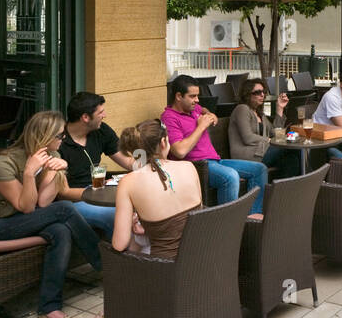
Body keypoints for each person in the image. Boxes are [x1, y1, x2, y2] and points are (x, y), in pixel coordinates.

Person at [0, 110, 103, 318]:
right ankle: (106, 266)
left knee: (60, 231)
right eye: (60, 136)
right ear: (44, 137)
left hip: (22, 220)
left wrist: (53, 173)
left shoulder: (55, 157)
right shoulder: (3, 164)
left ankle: (49, 306)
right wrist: (29, 174)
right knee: (64, 208)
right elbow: (26, 206)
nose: (64, 140)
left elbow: (42, 203)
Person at [162, 75, 268, 215]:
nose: (197, 100)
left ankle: (253, 218)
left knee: (259, 169)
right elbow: (179, 151)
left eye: (197, 95)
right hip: (196, 166)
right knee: (230, 176)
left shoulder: (194, 109)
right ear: (178, 96)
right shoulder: (169, 117)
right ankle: (227, 226)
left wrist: (210, 114)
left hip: (215, 161)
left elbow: (203, 108)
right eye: (192, 96)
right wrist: (201, 127)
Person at [111, 119, 204, 258]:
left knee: (133, 246)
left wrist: (143, 227)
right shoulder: (189, 167)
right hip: (199, 257)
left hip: (162, 269)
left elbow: (119, 244)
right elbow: (194, 218)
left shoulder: (128, 182)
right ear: (163, 142)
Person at [55, 92, 136, 240]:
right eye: (100, 112)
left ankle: (140, 256)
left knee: (137, 210)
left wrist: (147, 152)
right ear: (85, 117)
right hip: (73, 202)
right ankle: (120, 260)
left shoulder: (101, 130)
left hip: (99, 192)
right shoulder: (60, 143)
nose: (104, 115)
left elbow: (129, 163)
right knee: (116, 216)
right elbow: (63, 193)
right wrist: (97, 194)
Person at [228, 79, 300, 178]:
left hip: (262, 153)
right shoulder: (242, 109)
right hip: (247, 157)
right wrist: (269, 140)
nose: (262, 95)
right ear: (247, 94)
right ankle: (313, 179)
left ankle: (285, 190)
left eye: (263, 92)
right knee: (291, 148)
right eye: (257, 92)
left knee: (292, 160)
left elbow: (275, 133)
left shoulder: (259, 113)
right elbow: (248, 137)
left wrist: (280, 108)